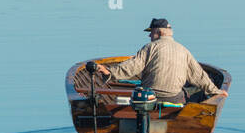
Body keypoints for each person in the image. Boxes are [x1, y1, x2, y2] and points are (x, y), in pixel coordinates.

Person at [97, 18, 228, 105]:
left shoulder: (150, 47)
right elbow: (199, 76)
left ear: (159, 32)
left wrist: (109, 72)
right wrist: (216, 92)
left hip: (150, 98)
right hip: (175, 99)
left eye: (151, 32)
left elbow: (132, 67)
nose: (149, 36)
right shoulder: (184, 50)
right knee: (199, 92)